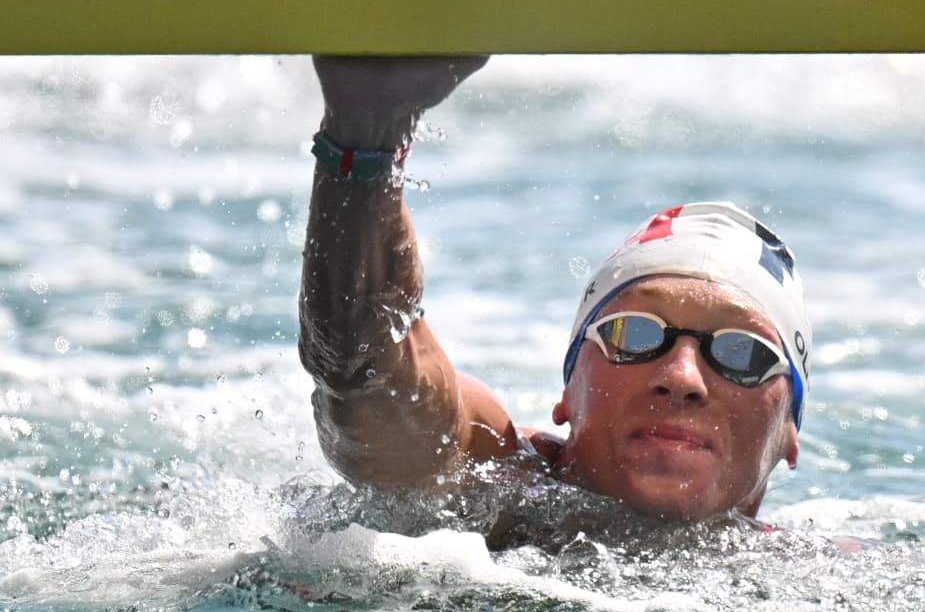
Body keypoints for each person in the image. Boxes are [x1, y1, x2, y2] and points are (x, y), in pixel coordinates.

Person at [298, 56, 810, 527]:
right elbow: (366, 362)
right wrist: (366, 140)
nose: (680, 377)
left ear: (790, 432)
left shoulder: (814, 585)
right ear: (568, 394)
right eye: (632, 334)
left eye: (743, 353)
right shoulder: (492, 477)